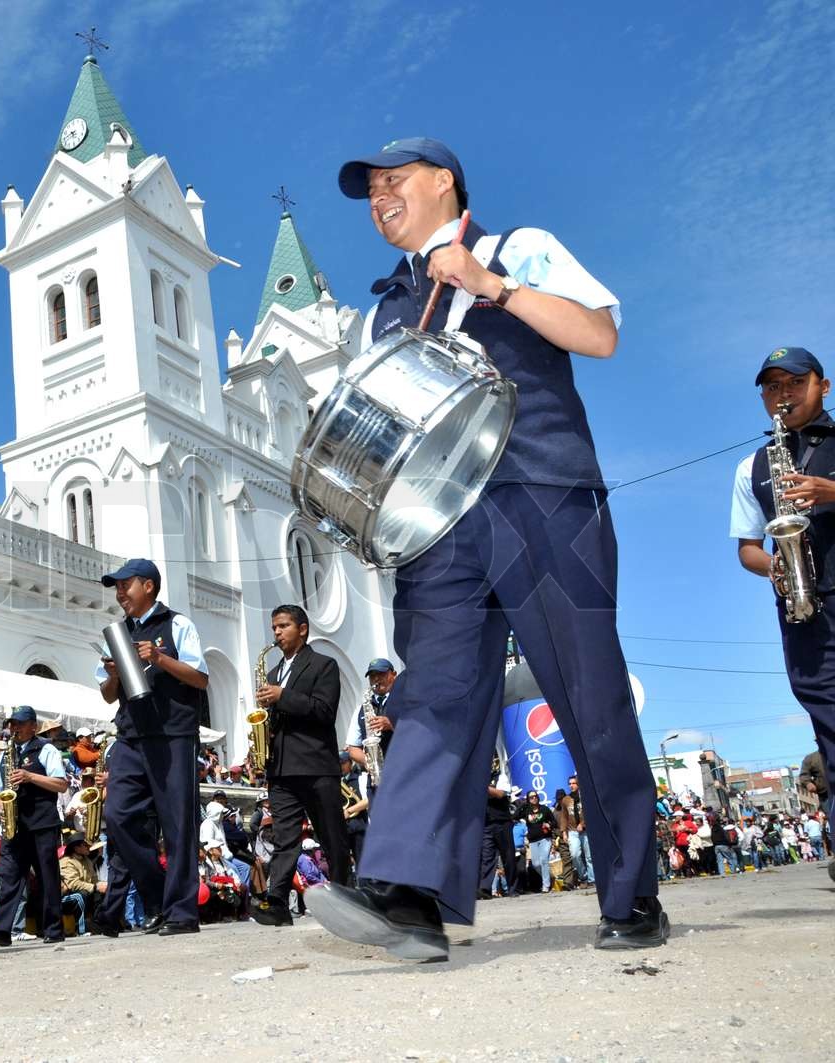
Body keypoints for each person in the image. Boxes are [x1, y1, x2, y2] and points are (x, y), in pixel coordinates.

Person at [307, 137, 663, 961]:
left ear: (445, 183)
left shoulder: (519, 248)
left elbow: (599, 335)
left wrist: (492, 286)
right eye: (370, 190)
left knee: (588, 690)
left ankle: (631, 890)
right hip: (439, 527)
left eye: (393, 181)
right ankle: (409, 894)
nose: (380, 198)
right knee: (433, 694)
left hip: (542, 493)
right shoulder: (379, 310)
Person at [731, 348, 835, 879]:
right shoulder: (753, 465)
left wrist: (829, 491)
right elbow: (747, 546)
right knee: (828, 718)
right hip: (804, 603)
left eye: (795, 381)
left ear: (824, 385)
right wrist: (772, 566)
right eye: (771, 386)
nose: (783, 394)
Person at [91, 558, 209, 938]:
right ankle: (159, 895)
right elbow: (108, 696)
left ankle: (181, 912)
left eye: (126, 585)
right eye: (117, 588)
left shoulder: (177, 624)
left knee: (177, 825)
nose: (120, 594)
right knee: (118, 816)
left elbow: (201, 678)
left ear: (149, 587)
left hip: (173, 735)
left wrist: (159, 658)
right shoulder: (117, 632)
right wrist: (112, 676)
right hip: (130, 735)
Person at [251, 605, 349, 927]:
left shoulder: (324, 665)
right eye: (274, 627)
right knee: (284, 838)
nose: (276, 633)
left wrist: (283, 696)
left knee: (331, 836)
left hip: (316, 765)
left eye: (283, 626)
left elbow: (323, 711)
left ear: (302, 629)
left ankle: (346, 898)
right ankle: (277, 901)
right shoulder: (273, 672)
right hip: (281, 768)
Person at [0, 706, 68, 946]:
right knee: (9, 876)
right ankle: (0, 930)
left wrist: (31, 777)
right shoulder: (5, 754)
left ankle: (53, 929)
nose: (14, 728)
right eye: (12, 724)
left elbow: (61, 785)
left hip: (42, 822)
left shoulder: (47, 749)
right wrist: (1, 805)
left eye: (19, 724)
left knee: (47, 876)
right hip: (15, 824)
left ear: (34, 726)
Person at [345, 658, 397, 780]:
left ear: (393, 675)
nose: (376, 679)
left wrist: (391, 724)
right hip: (376, 776)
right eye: (372, 676)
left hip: (404, 769)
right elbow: (353, 748)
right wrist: (372, 763)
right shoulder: (360, 709)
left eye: (381, 674)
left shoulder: (406, 700)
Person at [479, 756, 519, 898]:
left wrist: (482, 786)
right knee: (487, 857)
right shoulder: (476, 778)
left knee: (508, 856)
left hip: (502, 822)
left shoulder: (500, 776)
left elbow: (501, 793)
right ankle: (485, 889)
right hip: (486, 823)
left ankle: (513, 888)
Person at [520, 791, 555, 893]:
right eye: (531, 797)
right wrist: (523, 805)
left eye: (535, 796)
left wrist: (550, 825)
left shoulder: (544, 809)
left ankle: (546, 885)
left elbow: (554, 822)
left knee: (544, 860)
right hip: (533, 840)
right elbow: (515, 816)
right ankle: (550, 877)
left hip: (545, 838)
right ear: (528, 799)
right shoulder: (527, 811)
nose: (534, 798)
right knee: (536, 864)